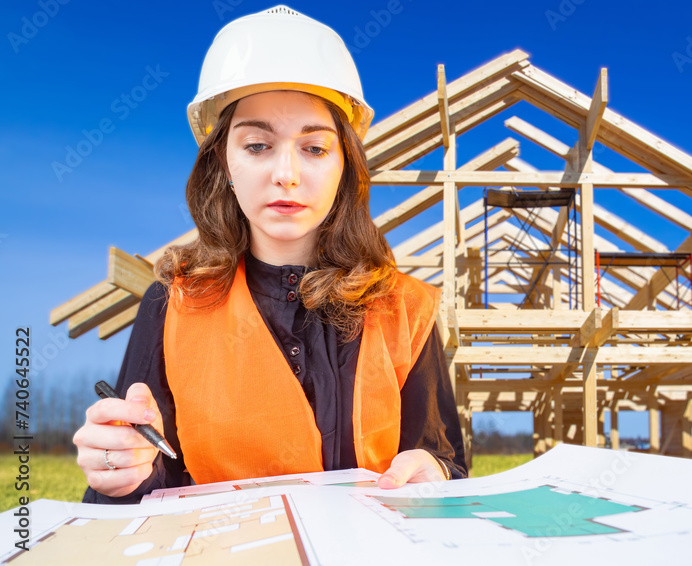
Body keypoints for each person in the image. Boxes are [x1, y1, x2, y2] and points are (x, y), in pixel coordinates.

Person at [72, 5, 467, 504]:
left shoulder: (405, 309)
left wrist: (436, 470)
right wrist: (121, 474)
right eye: (257, 145)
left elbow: (447, 462)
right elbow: (149, 480)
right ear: (224, 163)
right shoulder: (173, 303)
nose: (286, 173)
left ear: (345, 164)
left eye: (315, 148)